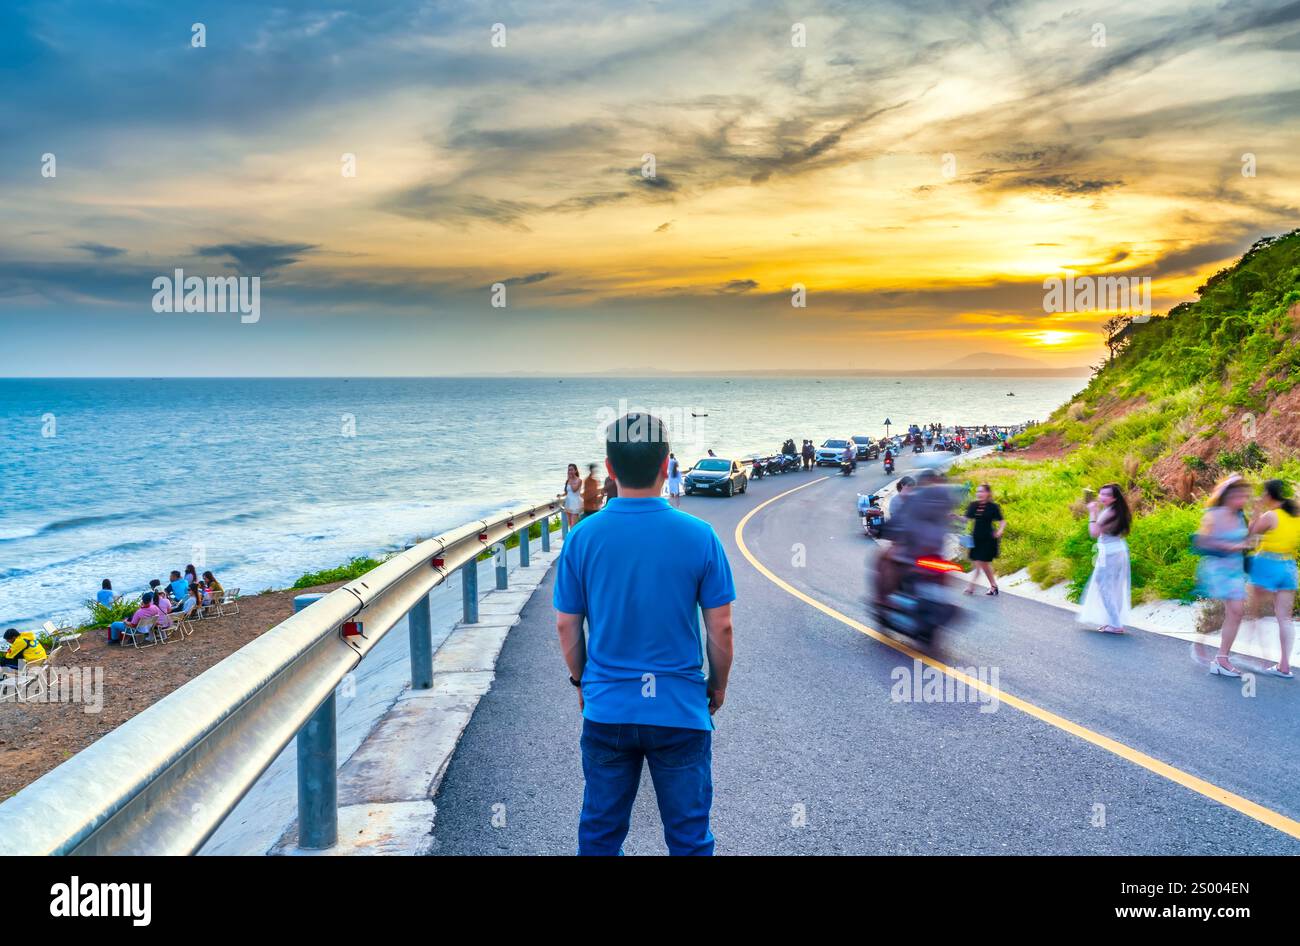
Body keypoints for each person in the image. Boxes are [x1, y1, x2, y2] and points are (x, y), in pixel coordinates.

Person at [553, 412, 735, 856]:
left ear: (610, 469)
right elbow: (721, 628)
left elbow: (566, 624)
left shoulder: (583, 538)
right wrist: (716, 685)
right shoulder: (700, 536)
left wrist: (581, 681)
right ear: (666, 464)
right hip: (680, 708)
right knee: (690, 838)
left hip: (608, 708)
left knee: (600, 832)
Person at [1196, 475, 1252, 675]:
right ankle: (1203, 644)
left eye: (1245, 496)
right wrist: (1229, 546)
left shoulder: (1240, 517)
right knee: (1222, 613)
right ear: (1228, 496)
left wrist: (1247, 543)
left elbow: (1246, 540)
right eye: (1239, 496)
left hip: (1235, 569)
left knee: (1236, 612)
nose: (1242, 500)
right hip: (1217, 569)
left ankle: (1221, 657)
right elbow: (1202, 542)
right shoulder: (1213, 514)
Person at [1246, 479, 1298, 678]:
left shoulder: (1270, 515)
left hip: (1267, 564)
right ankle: (1284, 666)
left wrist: (1256, 508)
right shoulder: (1295, 516)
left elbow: (1251, 531)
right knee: (1284, 618)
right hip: (1289, 566)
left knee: (1255, 612)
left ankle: (1259, 658)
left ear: (1268, 495)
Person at [1078, 483, 1133, 634]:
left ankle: (1115, 624)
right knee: (1112, 586)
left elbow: (1094, 533)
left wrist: (1092, 512)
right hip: (1114, 550)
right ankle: (1113, 621)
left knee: (1104, 586)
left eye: (1107, 495)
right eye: (1101, 494)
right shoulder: (1116, 510)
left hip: (1110, 553)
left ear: (1115, 497)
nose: (1102, 497)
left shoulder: (1110, 512)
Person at [964, 484, 1005, 596]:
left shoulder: (993, 507)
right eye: (977, 491)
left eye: (981, 491)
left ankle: (971, 587)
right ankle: (994, 586)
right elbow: (965, 519)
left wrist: (1000, 531)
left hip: (988, 539)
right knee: (984, 565)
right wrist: (955, 517)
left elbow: (1002, 521)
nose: (979, 494)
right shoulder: (973, 505)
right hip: (976, 538)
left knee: (979, 564)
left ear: (988, 493)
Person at [563, 463, 583, 528]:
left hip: (575, 503)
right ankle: (572, 537)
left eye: (571, 470)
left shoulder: (579, 480)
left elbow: (574, 490)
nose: (570, 471)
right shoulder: (568, 480)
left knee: (573, 525)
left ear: (575, 471)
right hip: (568, 503)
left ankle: (574, 537)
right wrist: (560, 495)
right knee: (570, 524)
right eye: (569, 470)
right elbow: (567, 492)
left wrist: (570, 480)